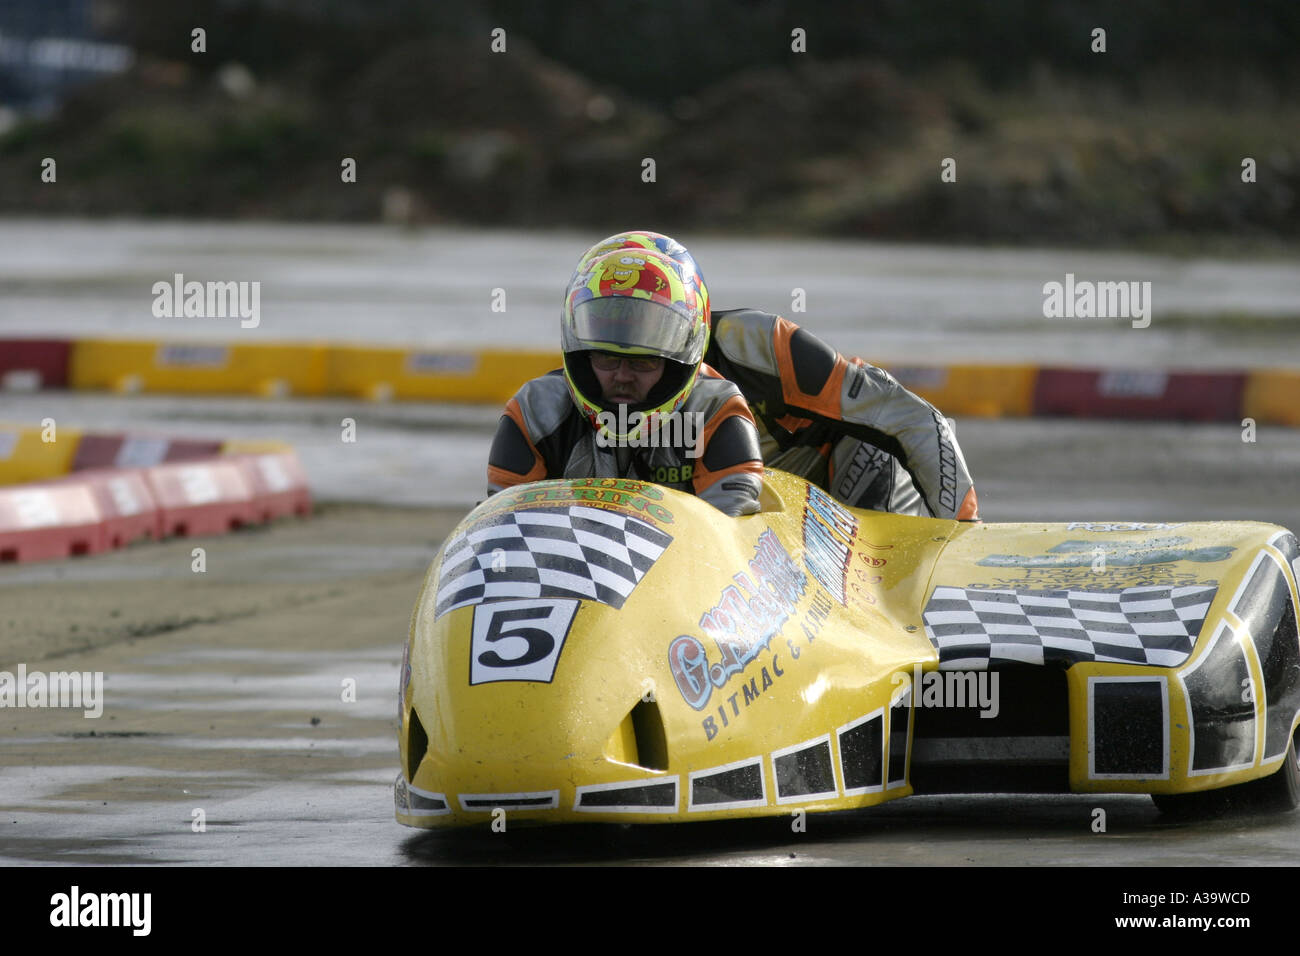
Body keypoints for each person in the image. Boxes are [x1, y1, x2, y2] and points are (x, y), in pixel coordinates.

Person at [567, 231, 980, 521]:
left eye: (646, 325)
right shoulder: (572, 388)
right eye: (606, 328)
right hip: (725, 524)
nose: (625, 349)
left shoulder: (759, 345)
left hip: (827, 514)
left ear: (691, 322)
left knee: (867, 445)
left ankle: (890, 598)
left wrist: (963, 537)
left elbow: (913, 419)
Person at [487, 247, 764, 517]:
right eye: (606, 359)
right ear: (582, 356)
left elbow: (728, 531)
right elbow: (502, 522)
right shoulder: (535, 411)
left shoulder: (715, 410)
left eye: (643, 362)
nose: (622, 376)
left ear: (675, 363)